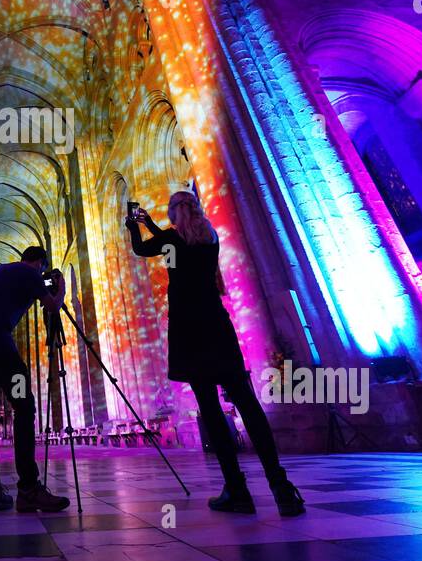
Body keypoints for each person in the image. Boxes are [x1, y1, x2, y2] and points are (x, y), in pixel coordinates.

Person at [127, 192, 305, 516]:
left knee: (210, 408)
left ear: (172, 214)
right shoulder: (209, 236)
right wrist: (151, 223)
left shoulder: (170, 241)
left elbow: (143, 248)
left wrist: (133, 225)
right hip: (216, 323)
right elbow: (179, 241)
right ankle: (281, 487)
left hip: (188, 328)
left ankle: (237, 490)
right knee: (246, 401)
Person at [0, 246, 71, 514]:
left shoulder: (1, 271)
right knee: (24, 405)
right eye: (43, 269)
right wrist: (62, 288)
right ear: (40, 263)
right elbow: (53, 305)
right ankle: (29, 489)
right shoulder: (30, 273)